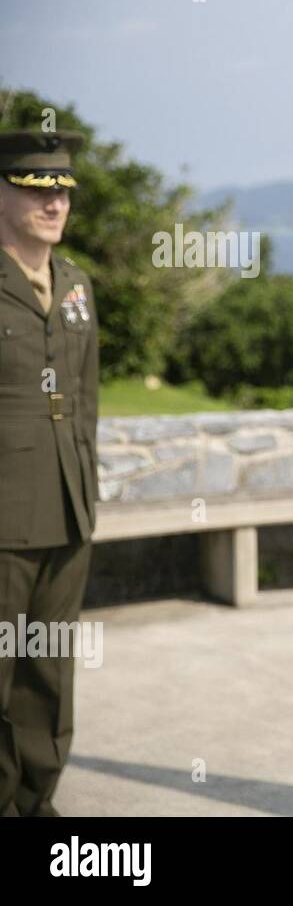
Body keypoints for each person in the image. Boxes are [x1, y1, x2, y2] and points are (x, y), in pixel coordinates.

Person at [0, 130, 99, 816]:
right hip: (5, 515)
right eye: (36, 188)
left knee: (48, 672)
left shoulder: (76, 284)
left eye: (61, 188)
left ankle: (36, 802)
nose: (53, 201)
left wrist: (87, 488)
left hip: (67, 508)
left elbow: (85, 397)